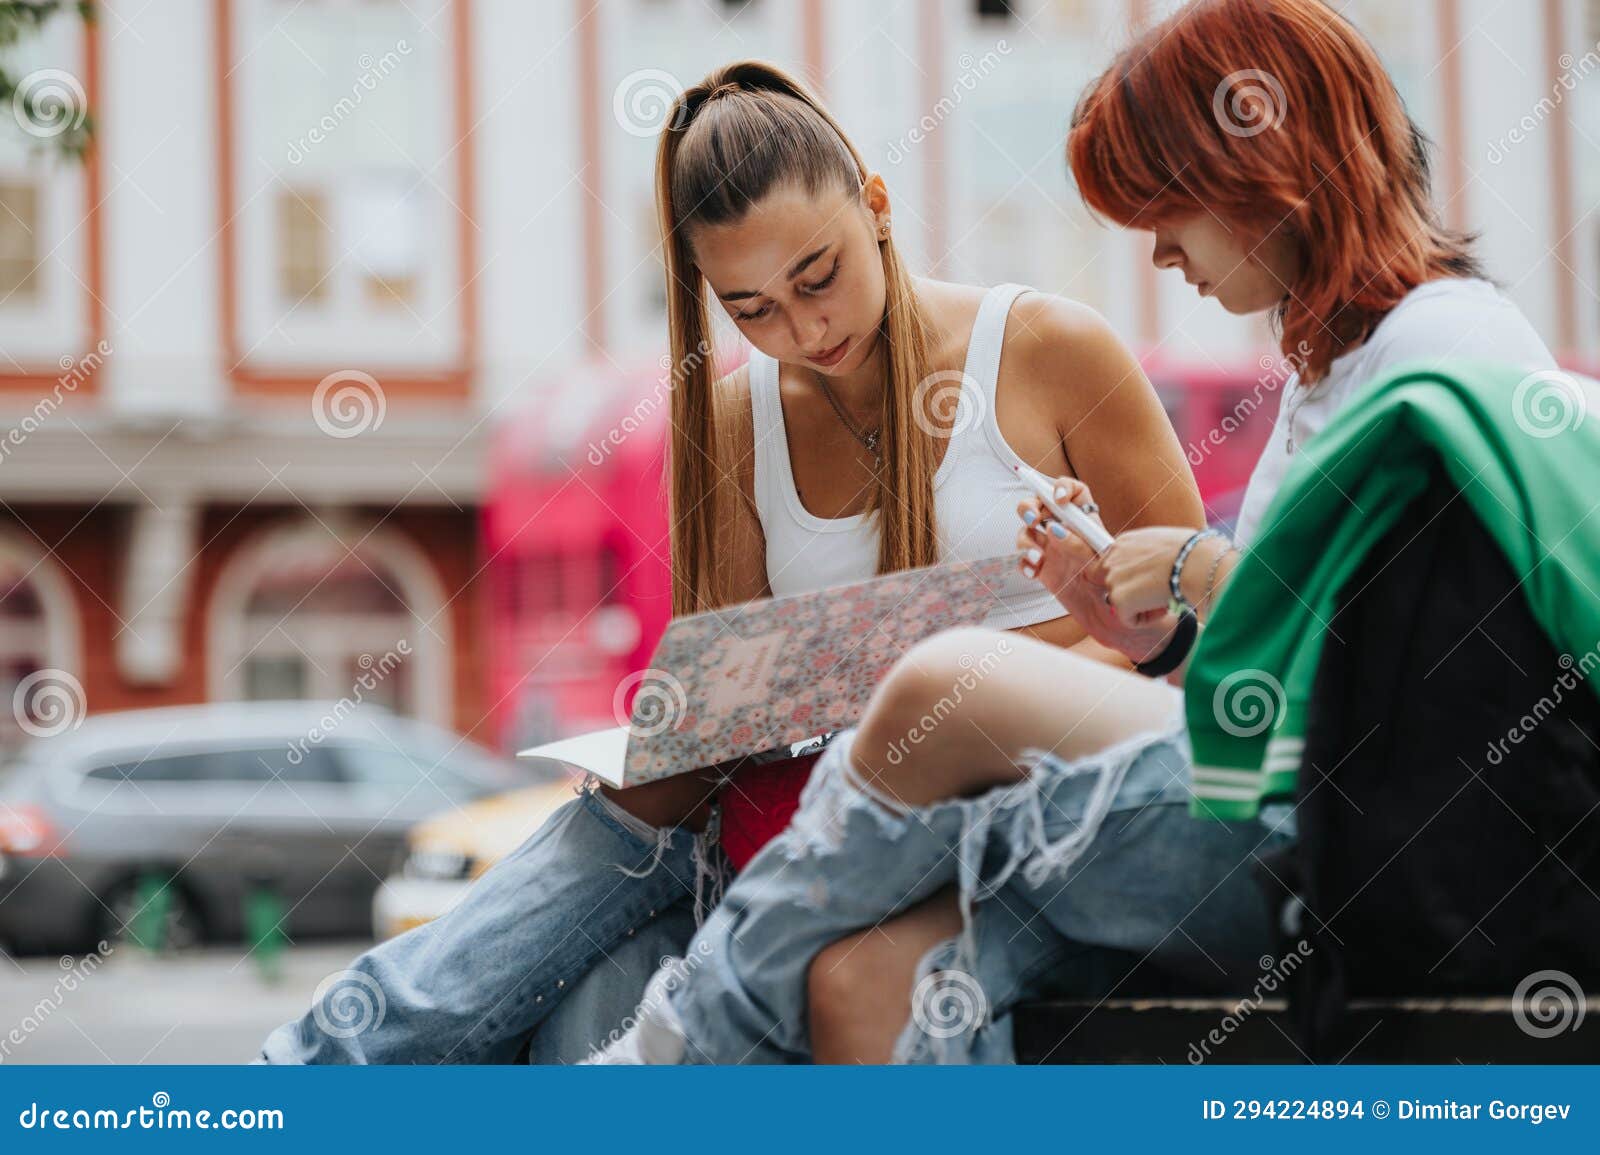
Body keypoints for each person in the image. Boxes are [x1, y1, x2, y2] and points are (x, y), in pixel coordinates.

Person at [589, 0, 1560, 1065]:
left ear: (1265, 174)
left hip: (1344, 818)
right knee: (857, 975)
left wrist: (1201, 569)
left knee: (941, 684)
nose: (1159, 252)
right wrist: (1155, 636)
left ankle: (677, 1045)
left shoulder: (1443, 347)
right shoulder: (1330, 369)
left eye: (1168, 207)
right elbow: (1279, 662)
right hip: (1282, 773)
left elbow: (1415, 671)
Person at [259, 59, 1200, 1063]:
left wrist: (961, 699)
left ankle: (332, 1061)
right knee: (606, 901)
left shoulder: (1049, 348)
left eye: (818, 277)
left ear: (877, 206)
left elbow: (1196, 631)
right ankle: (333, 1058)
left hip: (1037, 794)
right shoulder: (736, 420)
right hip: (826, 816)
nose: (803, 329)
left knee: (649, 923)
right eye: (751, 309)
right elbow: (744, 713)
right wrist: (693, 726)